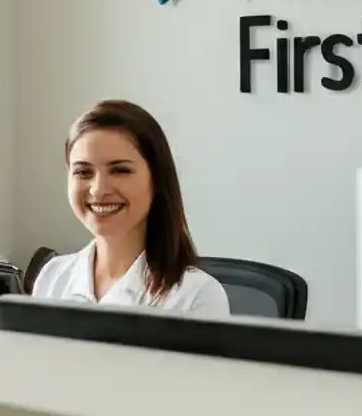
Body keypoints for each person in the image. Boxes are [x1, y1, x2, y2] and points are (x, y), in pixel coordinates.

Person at [31, 100, 230, 317]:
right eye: (83, 172)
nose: (98, 190)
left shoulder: (196, 296)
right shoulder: (53, 276)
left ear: (157, 180)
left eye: (120, 170)